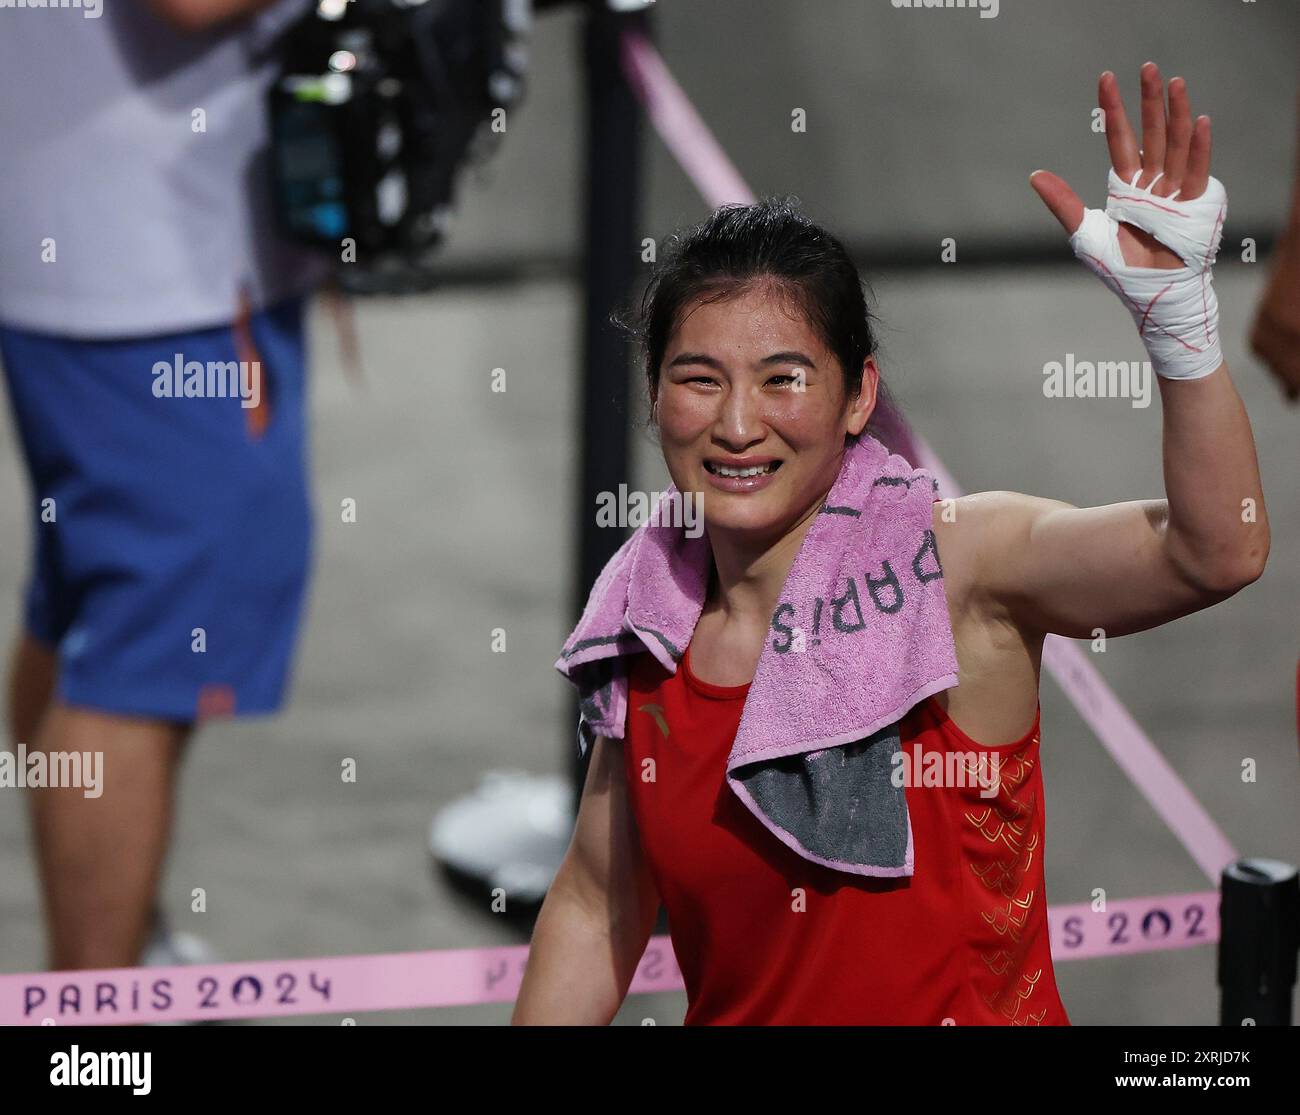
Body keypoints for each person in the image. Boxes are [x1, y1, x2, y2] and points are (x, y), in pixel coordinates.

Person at [512, 64, 1269, 1025]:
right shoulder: (646, 617)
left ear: (860, 396)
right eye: (698, 379)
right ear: (656, 398)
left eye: (784, 378)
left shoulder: (961, 567)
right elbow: (597, 901)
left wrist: (1182, 331)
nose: (738, 423)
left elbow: (1218, 552)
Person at [0, 0, 323, 971]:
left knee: (91, 608)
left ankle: (115, 970)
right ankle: (94, 1031)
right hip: (142, 260)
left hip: (132, 227)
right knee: (141, 651)